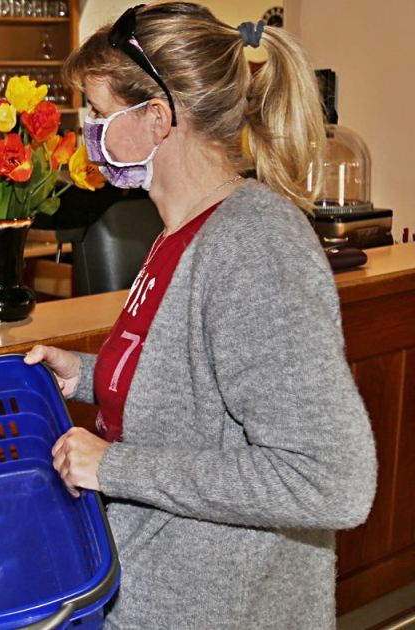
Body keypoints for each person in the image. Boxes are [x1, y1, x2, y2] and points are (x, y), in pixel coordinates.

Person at [23, 3, 376, 627]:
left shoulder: (253, 243)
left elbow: (330, 479)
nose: (89, 133)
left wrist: (116, 466)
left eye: (100, 115)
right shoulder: (179, 231)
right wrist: (86, 376)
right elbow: (198, 392)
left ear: (156, 117)